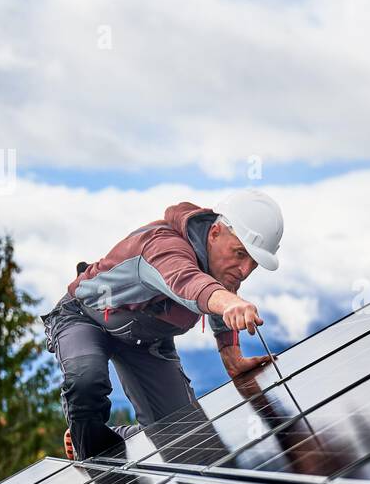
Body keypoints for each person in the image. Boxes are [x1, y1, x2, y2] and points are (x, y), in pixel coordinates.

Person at [41, 189, 283, 460]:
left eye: (254, 263)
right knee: (86, 381)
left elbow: (216, 287)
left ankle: (117, 436)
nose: (244, 270)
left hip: (145, 342)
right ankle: (92, 452)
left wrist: (232, 357)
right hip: (85, 318)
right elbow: (189, 282)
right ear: (215, 233)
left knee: (189, 441)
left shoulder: (217, 263)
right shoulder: (163, 247)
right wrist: (227, 303)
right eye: (240, 254)